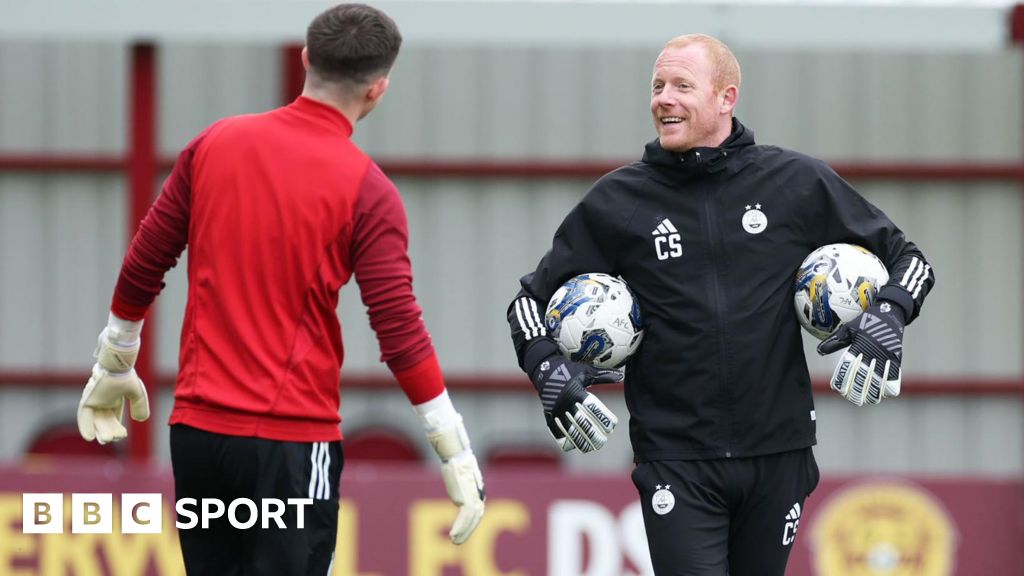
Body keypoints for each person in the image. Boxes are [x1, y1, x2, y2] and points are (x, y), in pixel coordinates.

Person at [76, 4, 485, 574]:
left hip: (197, 436)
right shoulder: (368, 191)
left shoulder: (214, 143)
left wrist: (115, 360)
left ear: (304, 60)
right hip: (291, 443)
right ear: (378, 90)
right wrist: (452, 445)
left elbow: (147, 258)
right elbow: (398, 328)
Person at [506, 34, 934, 575]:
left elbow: (910, 261)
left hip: (779, 454)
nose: (664, 98)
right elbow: (527, 304)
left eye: (682, 85)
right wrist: (546, 369)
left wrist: (888, 316)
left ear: (727, 98)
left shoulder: (794, 182)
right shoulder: (617, 202)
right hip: (676, 459)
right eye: (658, 86)